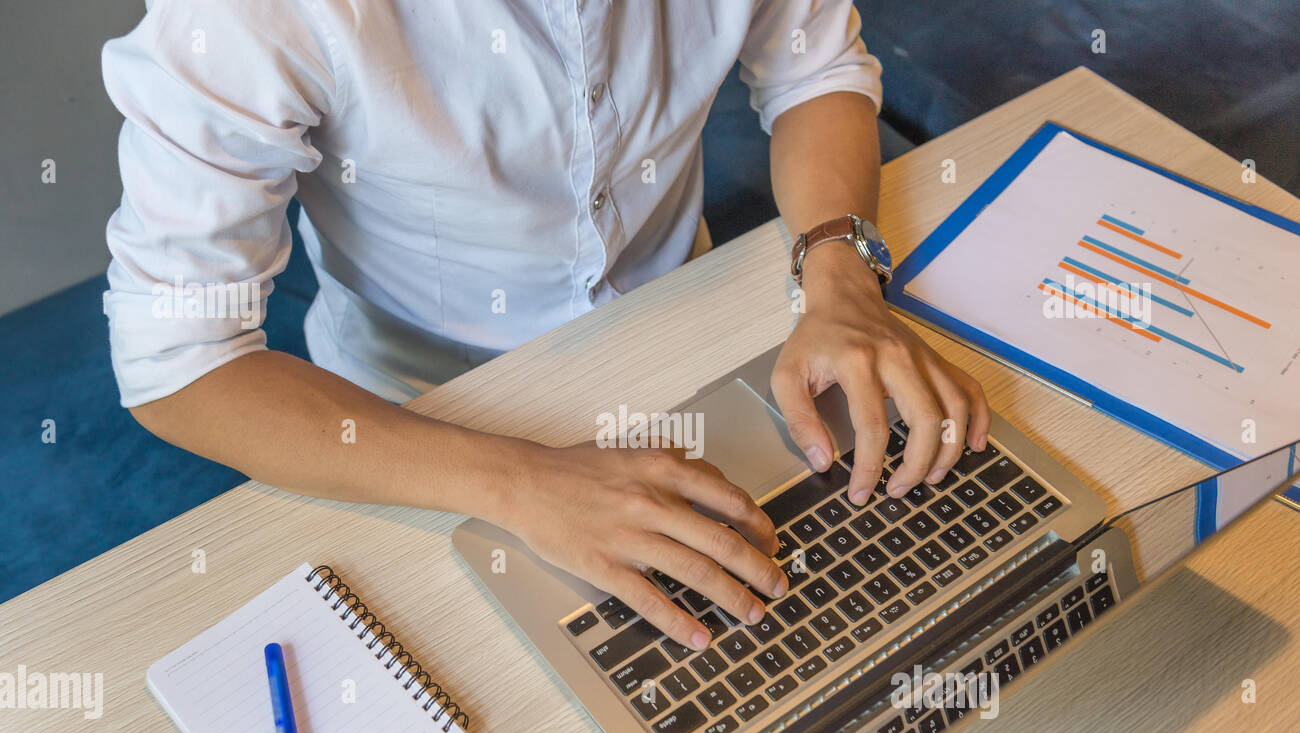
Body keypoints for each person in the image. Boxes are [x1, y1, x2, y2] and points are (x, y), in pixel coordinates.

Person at [102, 0, 988, 651]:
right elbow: (181, 361)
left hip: (693, 341)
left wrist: (841, 274)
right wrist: (522, 485)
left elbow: (813, 68)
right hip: (424, 434)